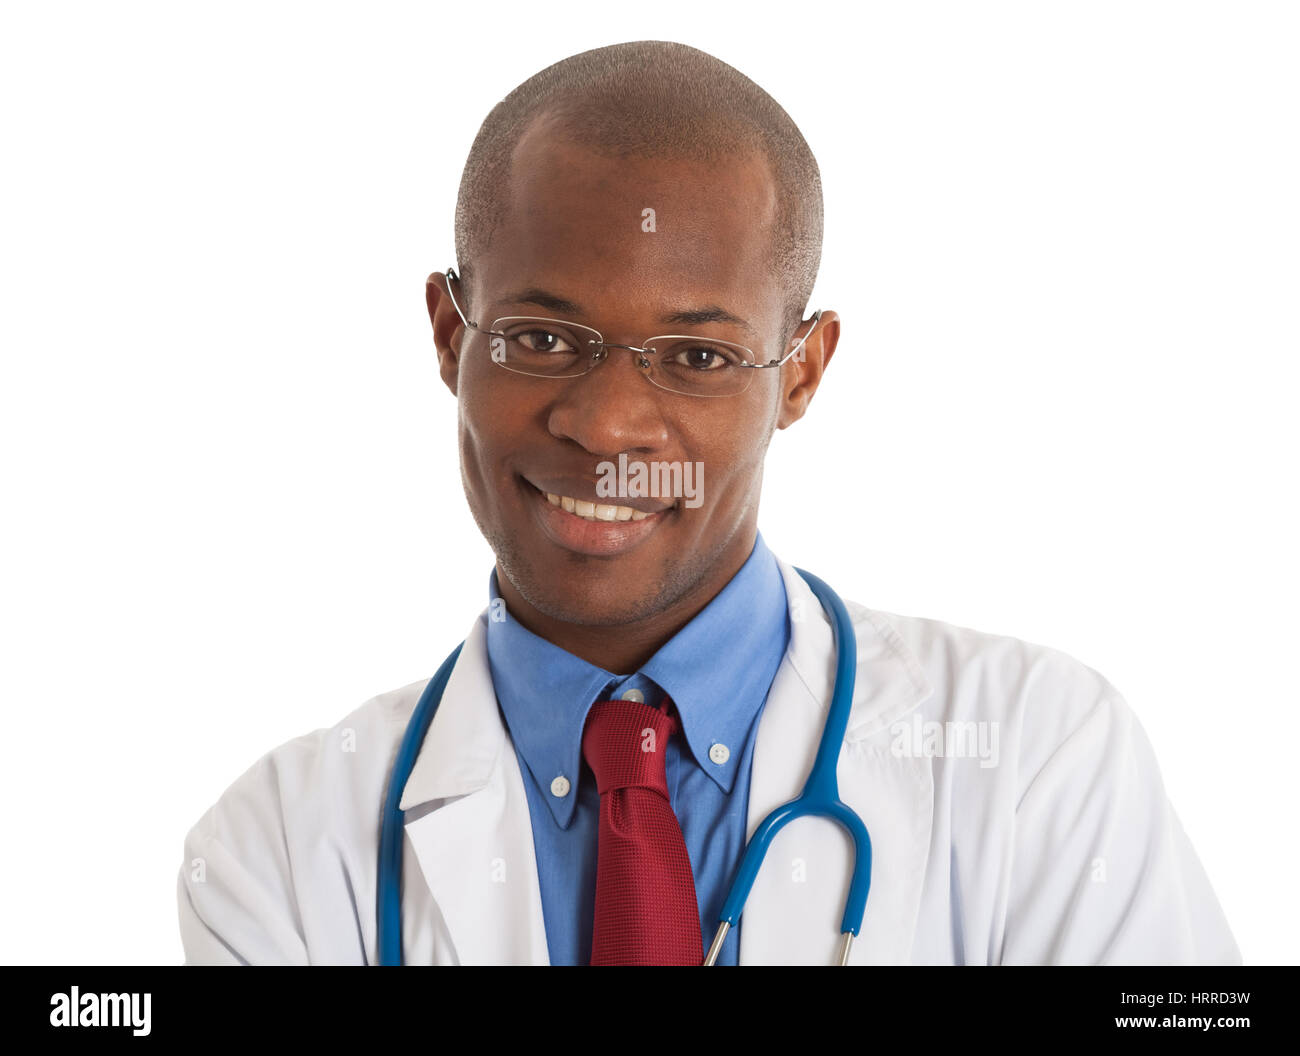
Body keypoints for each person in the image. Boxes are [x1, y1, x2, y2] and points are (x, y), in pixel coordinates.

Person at [176, 40, 1240, 966]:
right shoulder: (278, 853)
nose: (606, 425)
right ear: (452, 338)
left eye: (696, 355)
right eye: (544, 339)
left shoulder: (1038, 761)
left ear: (802, 373)